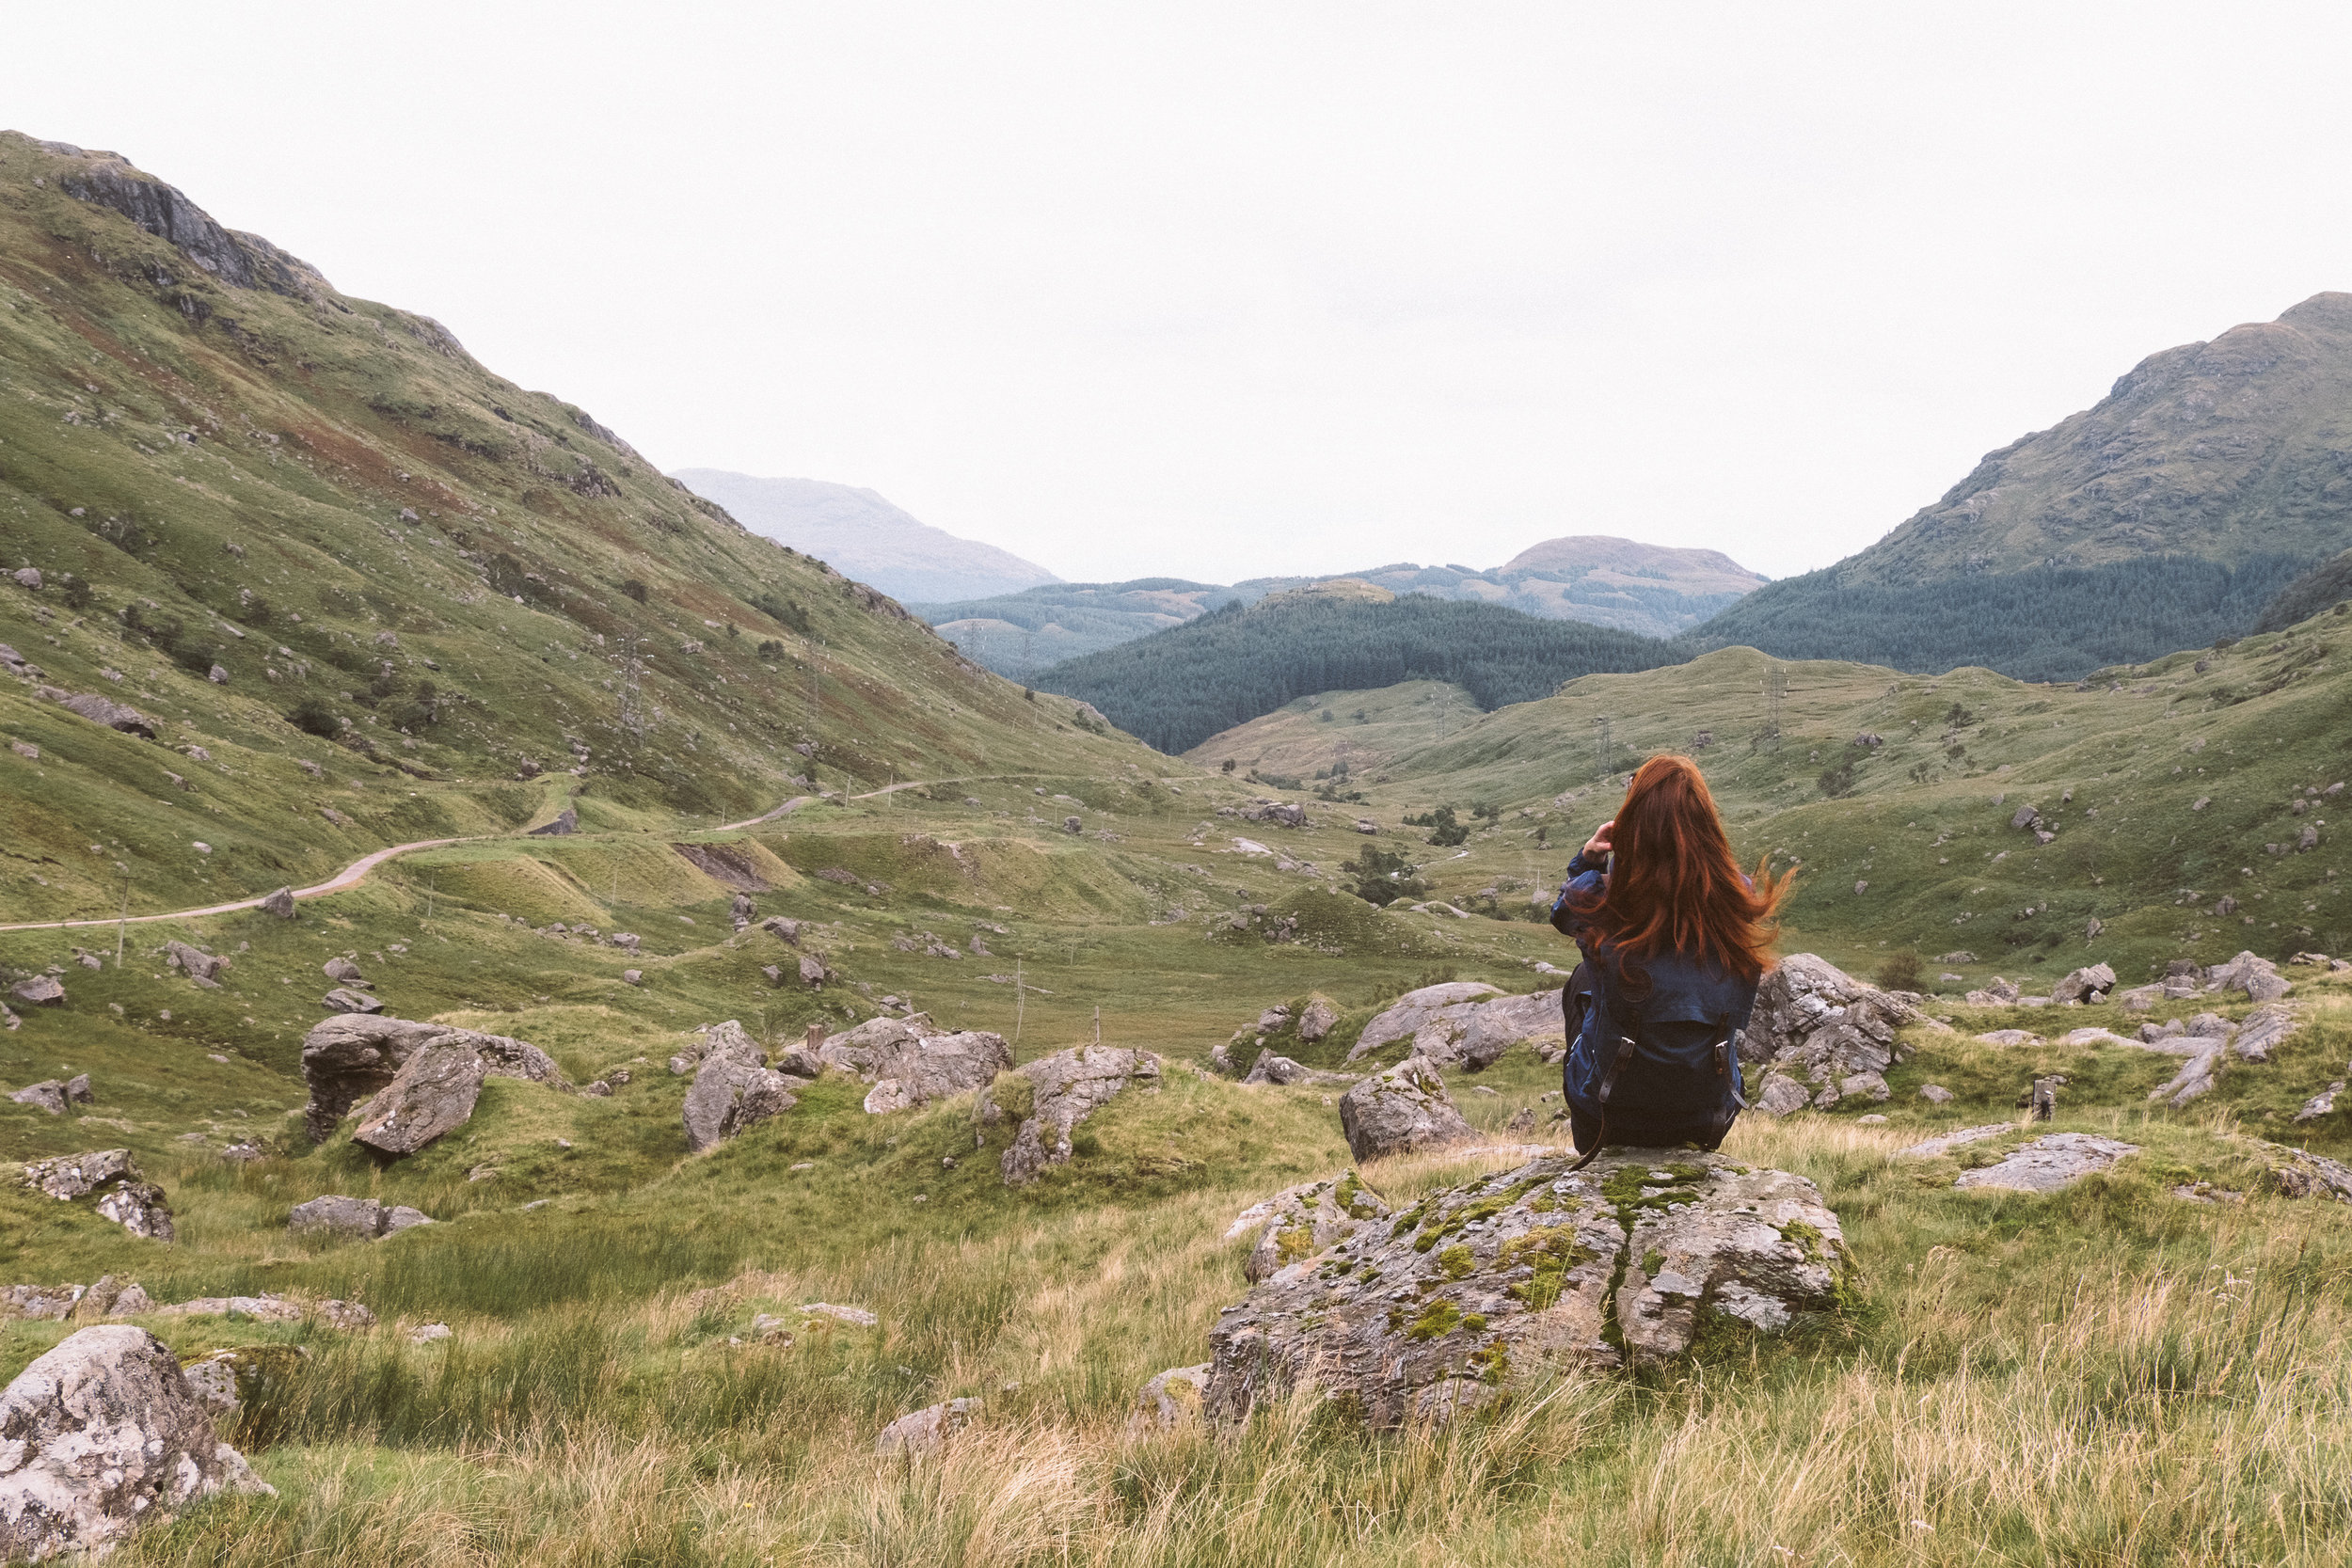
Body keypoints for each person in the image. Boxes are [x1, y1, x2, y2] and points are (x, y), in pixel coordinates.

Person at [1549, 754, 1791, 1161]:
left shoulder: (1599, 897)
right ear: (1705, 826)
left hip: (1607, 1117)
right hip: (1708, 1117)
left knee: (1581, 982)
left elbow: (1563, 913)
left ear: (1633, 826)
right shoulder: (1735, 896)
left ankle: (1593, 1143)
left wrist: (1590, 858)